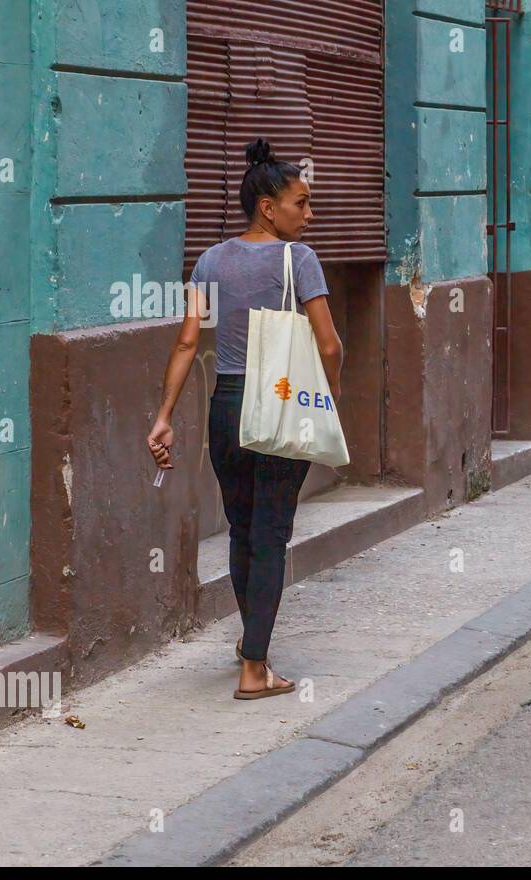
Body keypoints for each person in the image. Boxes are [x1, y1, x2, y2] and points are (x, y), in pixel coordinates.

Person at [146, 138, 344, 699]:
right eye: (301, 203)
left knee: (242, 529)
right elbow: (328, 346)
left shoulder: (210, 259)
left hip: (226, 408)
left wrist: (163, 417)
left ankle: (249, 642)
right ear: (268, 206)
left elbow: (188, 343)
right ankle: (255, 667)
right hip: (279, 404)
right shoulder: (298, 260)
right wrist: (327, 397)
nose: (309, 214)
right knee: (272, 533)